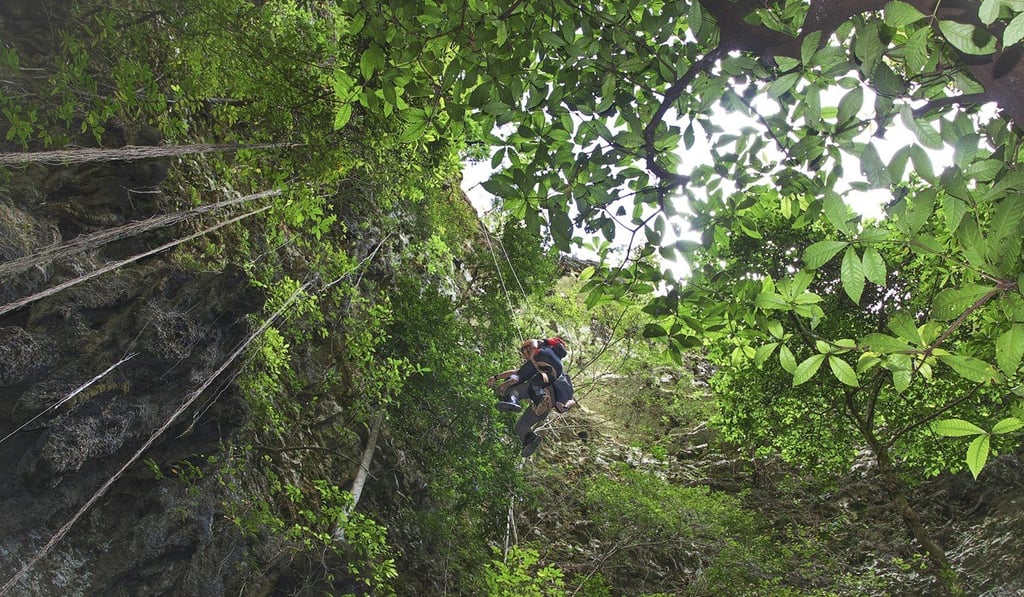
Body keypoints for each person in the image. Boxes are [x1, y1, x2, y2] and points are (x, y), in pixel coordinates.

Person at [487, 338, 576, 457]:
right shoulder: (562, 377)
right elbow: (572, 401)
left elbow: (532, 347)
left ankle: (512, 398)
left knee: (516, 388)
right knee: (521, 426)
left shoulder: (539, 353)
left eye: (526, 353)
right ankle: (530, 439)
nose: (526, 357)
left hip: (541, 386)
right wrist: (564, 406)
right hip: (549, 403)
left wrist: (497, 377)